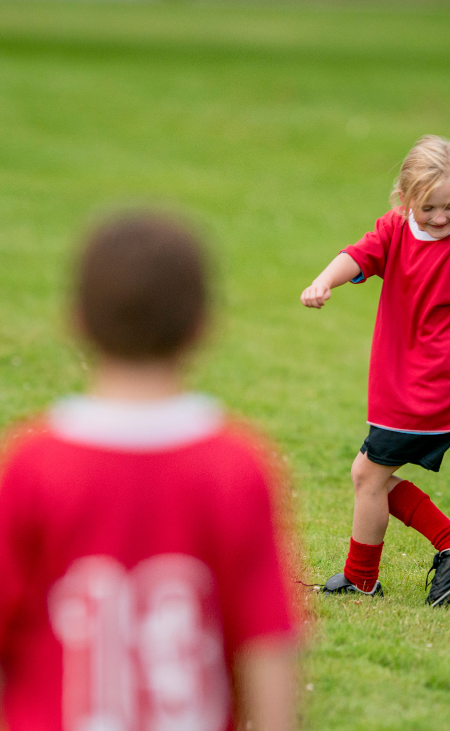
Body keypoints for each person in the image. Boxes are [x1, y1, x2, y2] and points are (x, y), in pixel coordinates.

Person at [0, 213, 297, 729]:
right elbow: (266, 645)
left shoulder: (31, 465)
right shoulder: (239, 465)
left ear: (76, 321)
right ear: (202, 325)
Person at [301, 135, 450, 607]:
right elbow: (358, 255)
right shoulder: (394, 230)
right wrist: (323, 281)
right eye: (427, 207)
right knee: (368, 477)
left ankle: (378, 572)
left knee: (367, 477)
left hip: (435, 386)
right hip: (397, 386)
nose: (439, 218)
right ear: (405, 198)